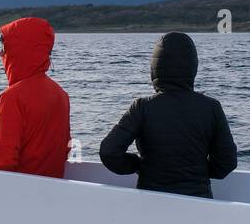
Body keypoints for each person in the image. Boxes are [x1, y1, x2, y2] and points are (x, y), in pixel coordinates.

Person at [99, 31, 237, 198]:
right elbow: (227, 163)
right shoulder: (211, 107)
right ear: (193, 67)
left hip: (151, 200)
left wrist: (137, 165)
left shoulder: (142, 107)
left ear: (155, 69)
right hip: (199, 201)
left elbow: (109, 152)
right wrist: (198, 172)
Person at [0, 16, 70, 178]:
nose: (1, 53)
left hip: (18, 195)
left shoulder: (12, 97)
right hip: (51, 192)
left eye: (4, 47)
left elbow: (2, 161)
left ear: (19, 49)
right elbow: (65, 149)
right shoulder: (61, 94)